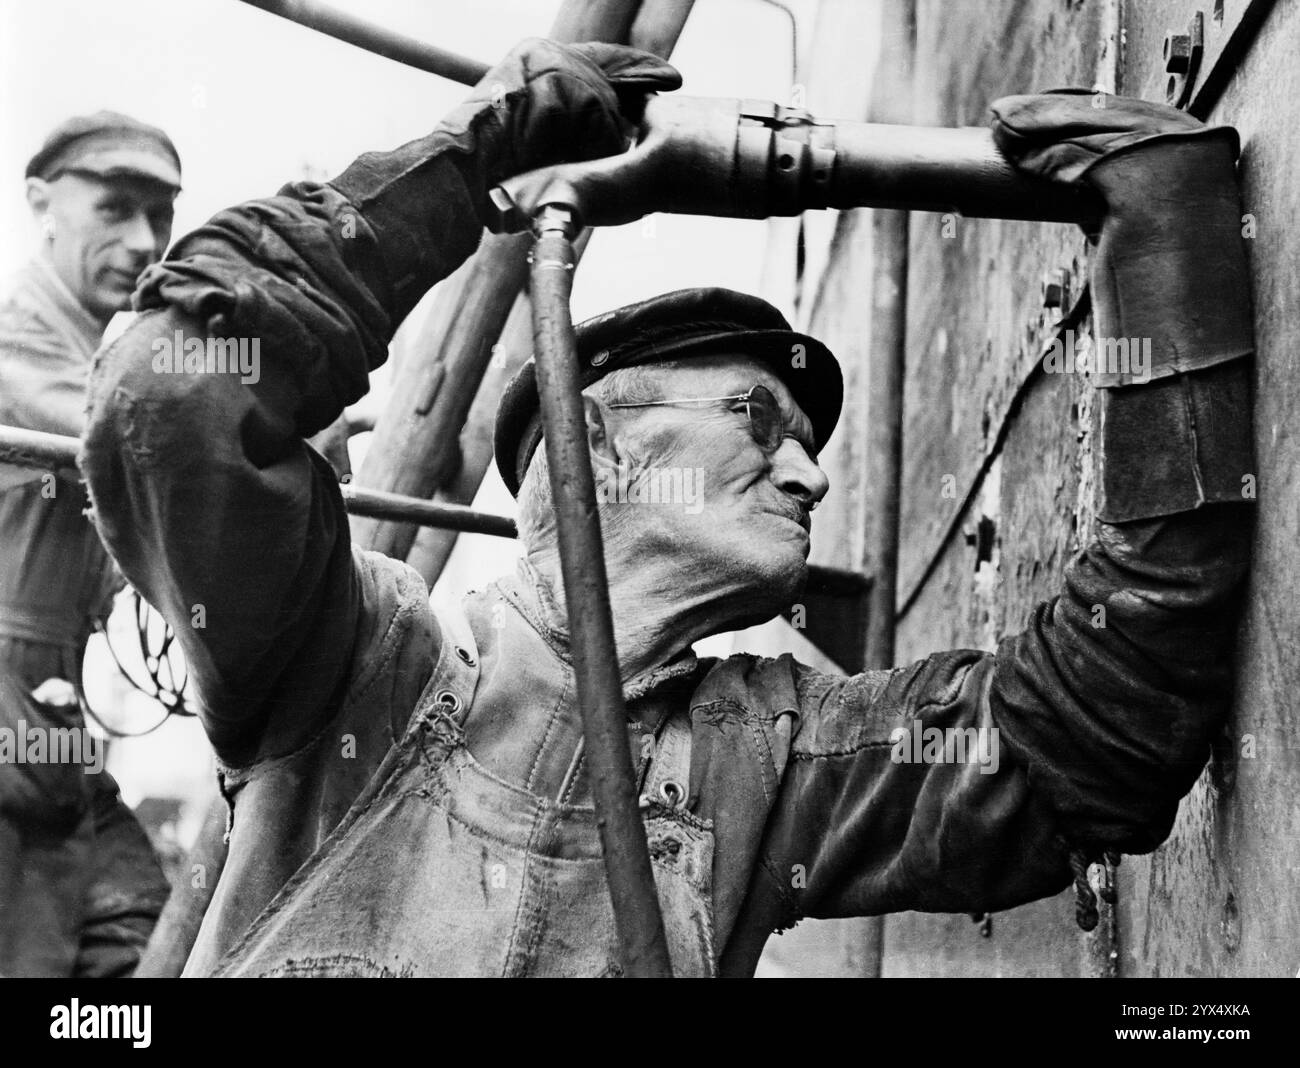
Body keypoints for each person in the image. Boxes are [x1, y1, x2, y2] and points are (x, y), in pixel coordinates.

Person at [80, 40, 1254, 977]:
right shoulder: (352, 670)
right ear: (597, 449)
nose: (811, 476)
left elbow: (1090, 745)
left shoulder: (765, 757)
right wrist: (457, 167)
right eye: (757, 421)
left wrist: (1169, 256)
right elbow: (169, 397)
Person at [0, 111, 181, 975]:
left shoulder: (96, 357)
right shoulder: (15, 343)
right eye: (114, 208)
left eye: (160, 216)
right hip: (9, 703)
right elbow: (132, 429)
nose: (144, 241)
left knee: (141, 941)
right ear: (43, 203)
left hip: (50, 705)